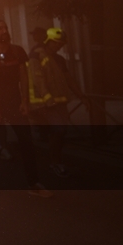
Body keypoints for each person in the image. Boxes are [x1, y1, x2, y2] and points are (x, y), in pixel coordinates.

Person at [0, 20, 49, 196]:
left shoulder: (17, 51)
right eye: (0, 29)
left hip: (14, 103)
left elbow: (23, 77)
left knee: (26, 142)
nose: (4, 31)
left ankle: (33, 182)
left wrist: (24, 101)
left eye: (5, 28)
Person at [28, 28, 83, 176]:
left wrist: (81, 96)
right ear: (48, 41)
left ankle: (54, 159)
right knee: (58, 130)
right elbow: (38, 78)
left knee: (60, 132)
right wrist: (47, 98)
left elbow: (68, 78)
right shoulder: (37, 55)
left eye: (61, 44)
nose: (58, 46)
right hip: (46, 102)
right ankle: (55, 162)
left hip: (59, 102)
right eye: (56, 43)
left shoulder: (59, 59)